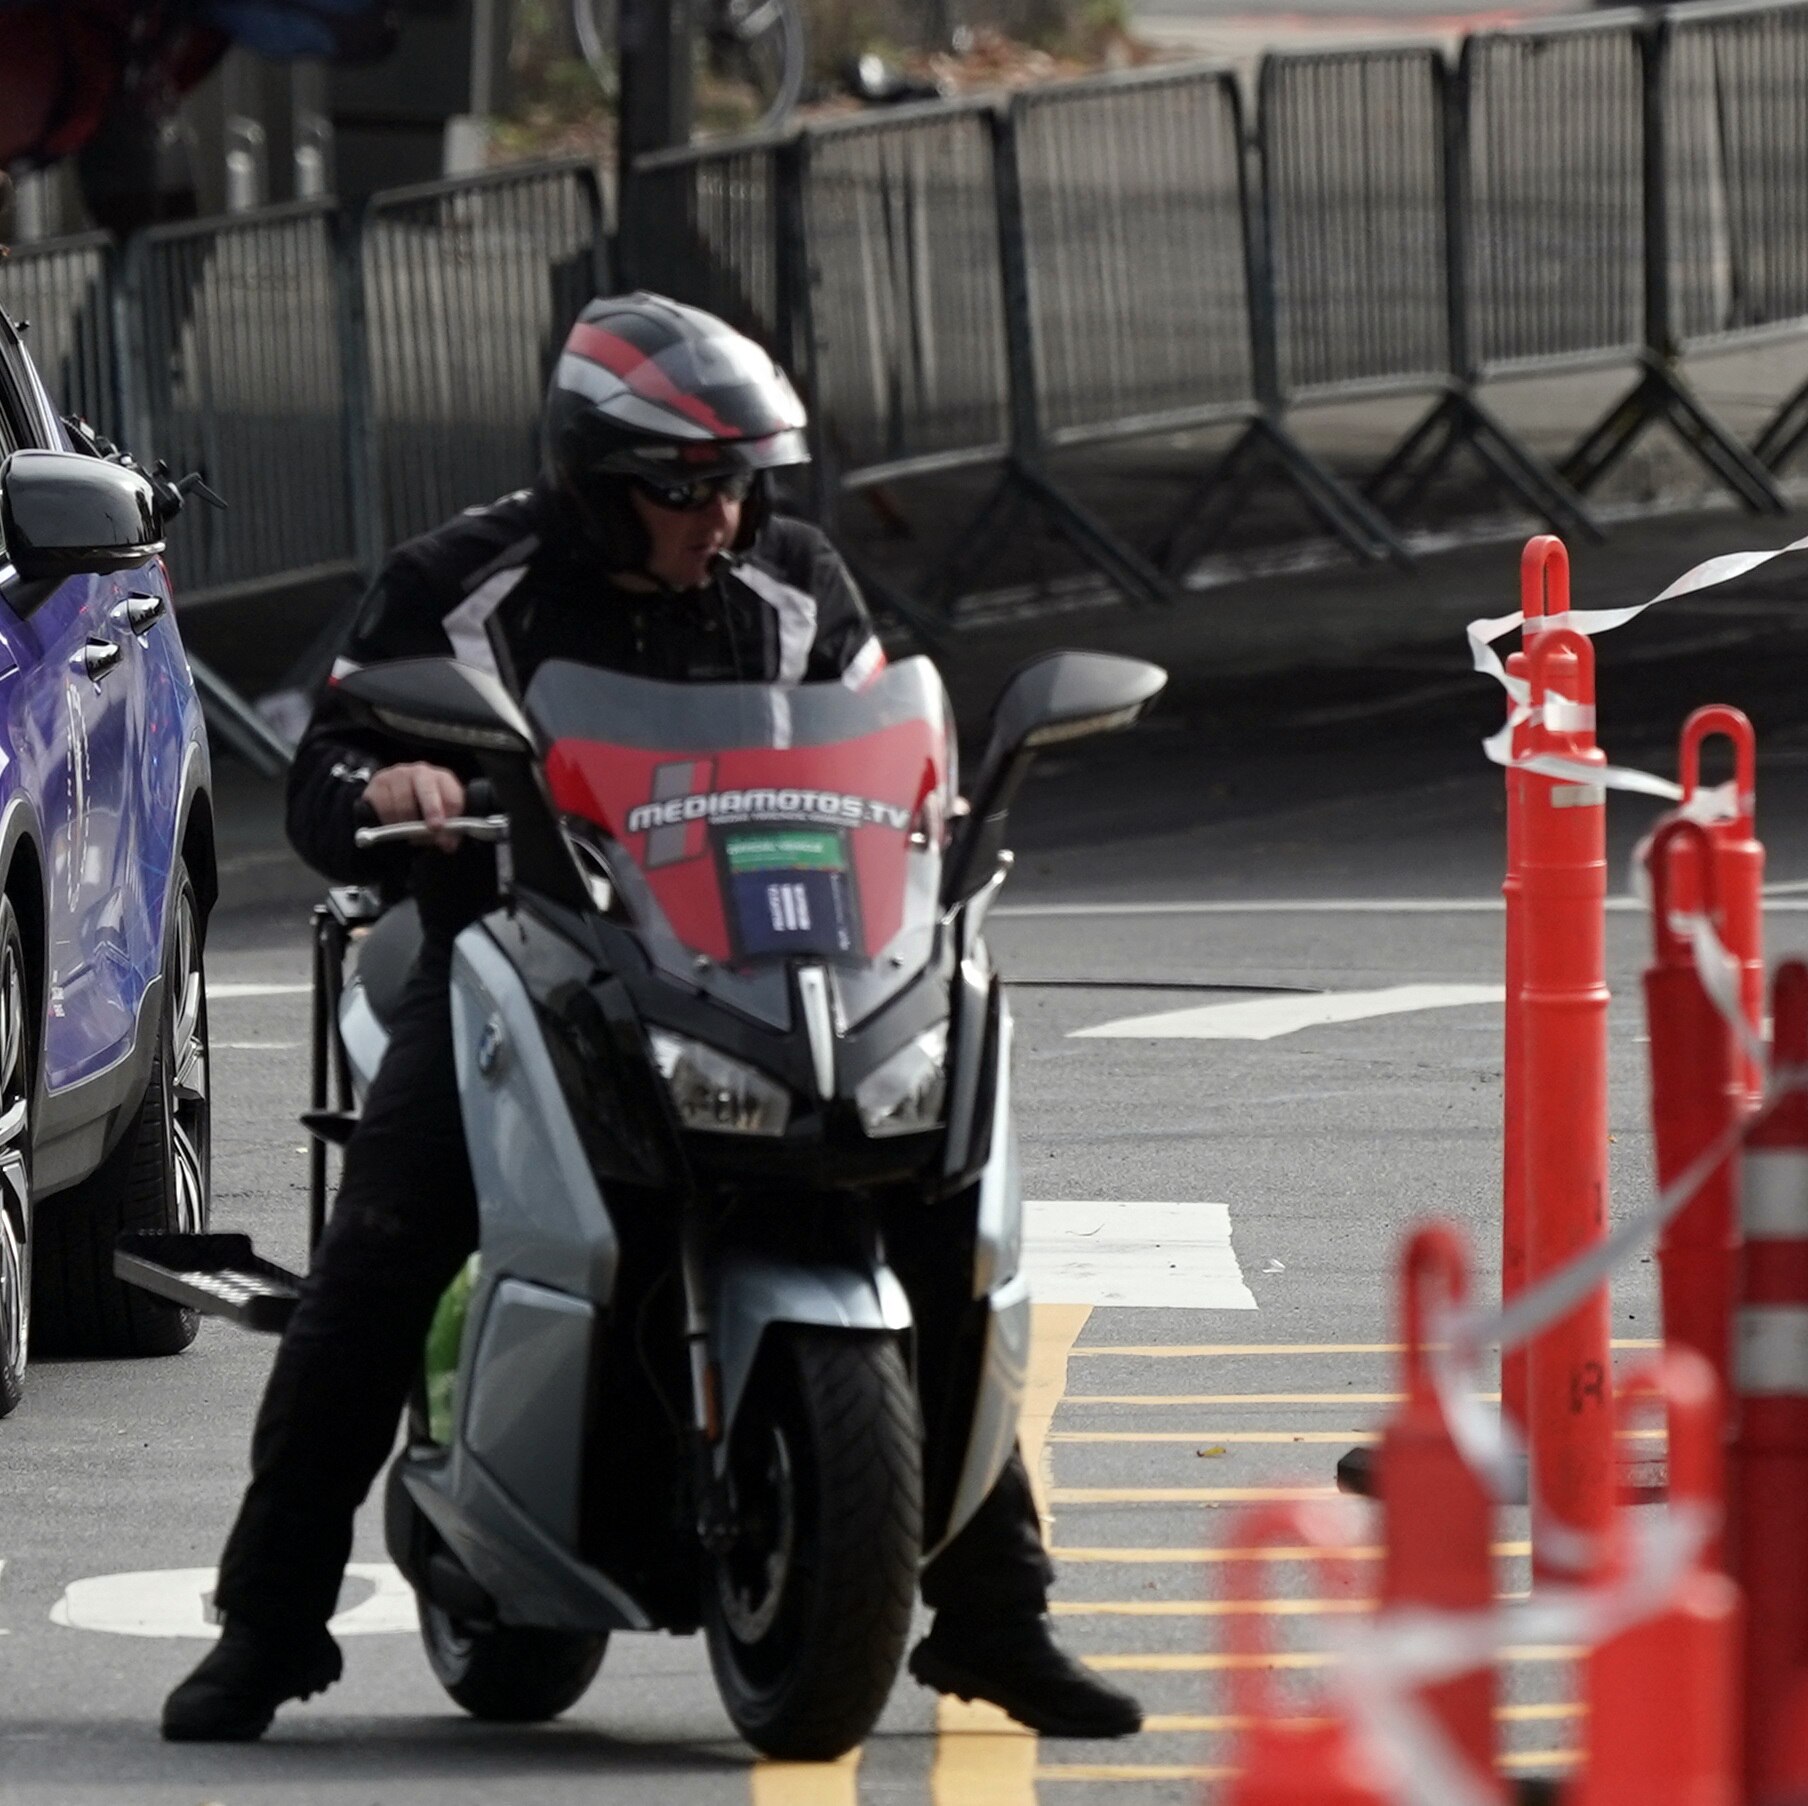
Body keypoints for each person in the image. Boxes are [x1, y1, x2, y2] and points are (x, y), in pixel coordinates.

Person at [162, 294, 1142, 1744]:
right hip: (521, 952)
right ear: (593, 482)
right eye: (687, 487)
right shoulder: (467, 580)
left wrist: (936, 816)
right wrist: (386, 790)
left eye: (742, 481)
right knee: (383, 1247)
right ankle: (267, 1623)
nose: (723, 515)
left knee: (934, 1222)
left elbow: (879, 757)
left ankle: (1000, 1617)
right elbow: (328, 764)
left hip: (777, 967)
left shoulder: (796, 581)